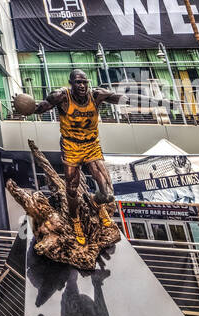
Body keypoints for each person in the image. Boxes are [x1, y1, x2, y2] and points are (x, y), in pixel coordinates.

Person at [12, 69, 124, 245]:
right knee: (72, 188)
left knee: (107, 192)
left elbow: (120, 98)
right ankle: (75, 220)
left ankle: (96, 202)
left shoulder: (97, 95)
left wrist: (150, 101)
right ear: (71, 84)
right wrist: (27, 108)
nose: (82, 85)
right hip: (71, 146)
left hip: (91, 144)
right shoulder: (61, 97)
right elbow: (41, 107)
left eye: (84, 82)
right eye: (78, 82)